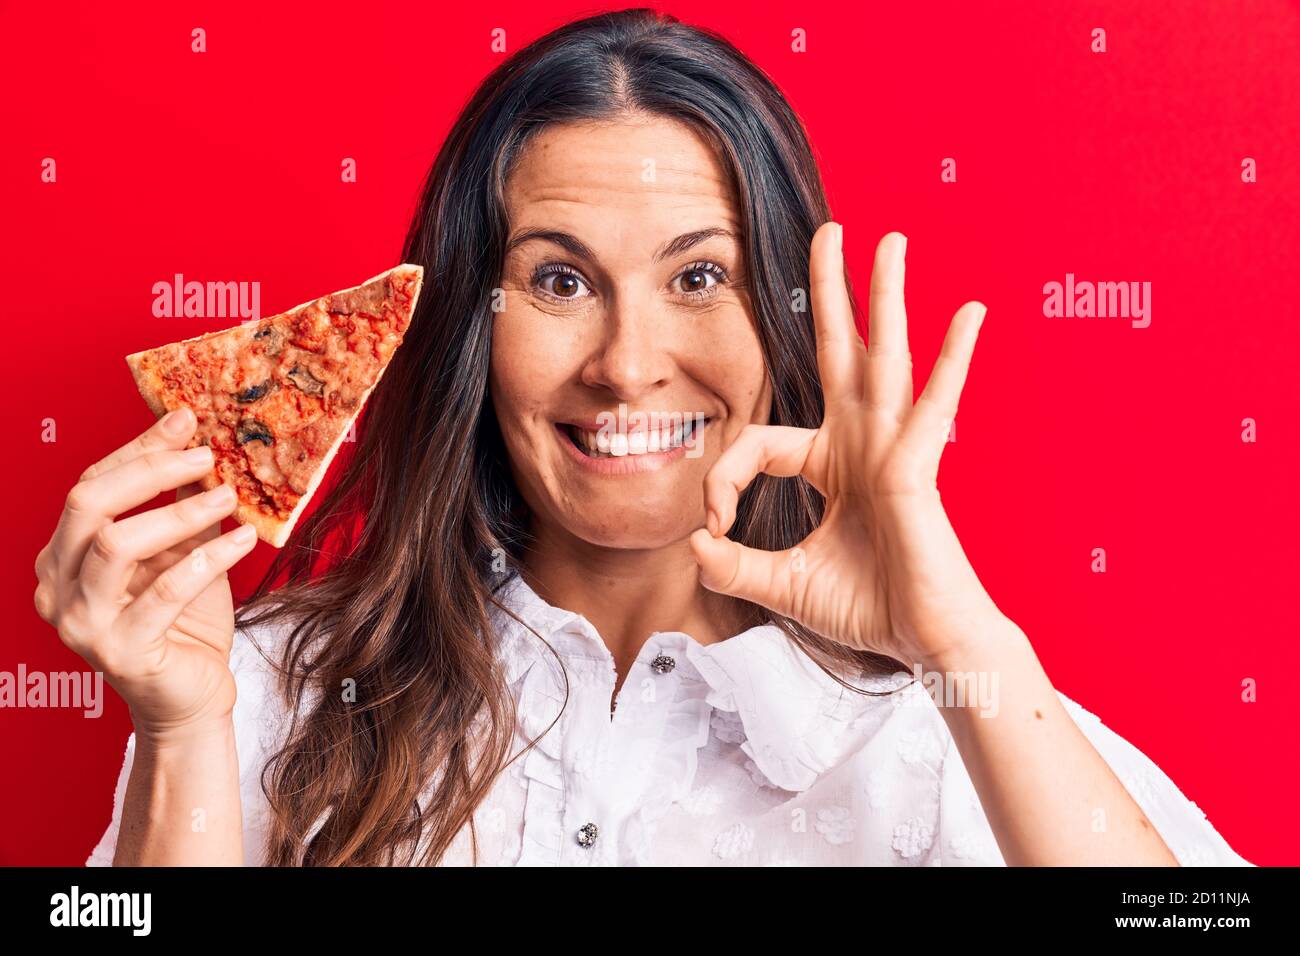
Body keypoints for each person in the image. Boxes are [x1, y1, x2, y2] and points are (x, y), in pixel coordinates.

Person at [37, 8, 1250, 866]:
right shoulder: (270, 681)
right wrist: (183, 729)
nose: (625, 361)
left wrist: (961, 643)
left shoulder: (942, 720)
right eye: (558, 282)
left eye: (699, 276)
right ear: (472, 321)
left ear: (784, 315)